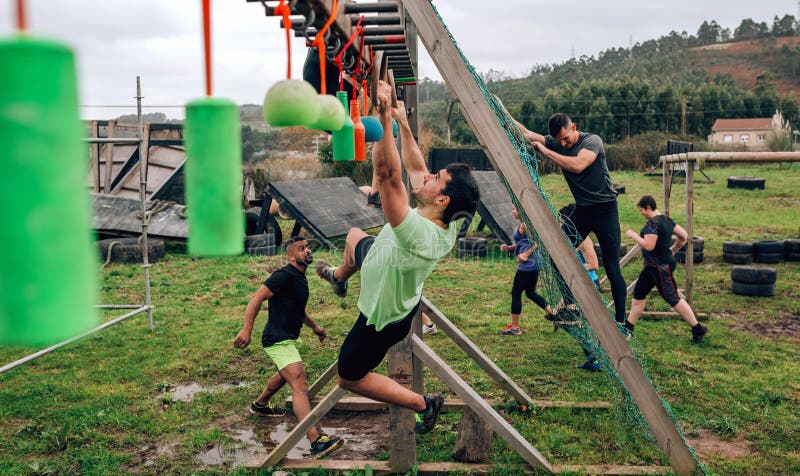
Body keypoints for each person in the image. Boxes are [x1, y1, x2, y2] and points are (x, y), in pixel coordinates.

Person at [315, 81, 480, 434]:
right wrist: (404, 124)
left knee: (349, 377)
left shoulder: (421, 235)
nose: (428, 178)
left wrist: (384, 115)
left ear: (443, 199)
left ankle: (423, 403)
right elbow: (417, 168)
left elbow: (390, 176)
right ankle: (340, 277)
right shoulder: (446, 217)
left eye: (437, 179)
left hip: (383, 317)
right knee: (355, 237)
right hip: (382, 258)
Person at [499, 105, 627, 324]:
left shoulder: (591, 141)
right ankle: (570, 304)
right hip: (583, 210)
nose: (564, 144)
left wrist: (547, 150)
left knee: (612, 265)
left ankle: (622, 322)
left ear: (574, 127)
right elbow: (525, 133)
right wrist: (502, 110)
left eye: (566, 139)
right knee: (553, 252)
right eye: (559, 141)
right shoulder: (558, 142)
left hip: (605, 210)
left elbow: (578, 165)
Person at [233, 236, 343, 458]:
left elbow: (297, 310)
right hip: (276, 339)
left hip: (288, 338)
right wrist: (246, 329)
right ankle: (315, 440)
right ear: (291, 256)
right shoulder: (282, 275)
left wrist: (316, 328)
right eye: (302, 248)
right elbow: (257, 298)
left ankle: (261, 404)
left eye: (308, 247)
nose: (307, 251)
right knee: (299, 381)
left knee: (286, 375)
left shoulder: (300, 278)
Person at [623, 195, 708, 344]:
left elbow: (649, 246)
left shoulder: (652, 225)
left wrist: (634, 236)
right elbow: (684, 236)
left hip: (659, 267)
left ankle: (697, 328)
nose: (641, 213)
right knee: (639, 294)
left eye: (642, 210)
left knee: (673, 298)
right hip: (652, 266)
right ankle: (628, 329)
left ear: (648, 207)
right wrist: (672, 250)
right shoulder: (667, 221)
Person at [499, 206, 556, 336]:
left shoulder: (526, 224)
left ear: (521, 209)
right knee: (530, 292)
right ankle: (554, 314)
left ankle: (514, 328)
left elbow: (538, 242)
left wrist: (525, 254)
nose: (512, 211)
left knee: (516, 293)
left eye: (514, 209)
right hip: (534, 263)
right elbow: (524, 242)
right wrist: (509, 248)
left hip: (529, 264)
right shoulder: (525, 223)